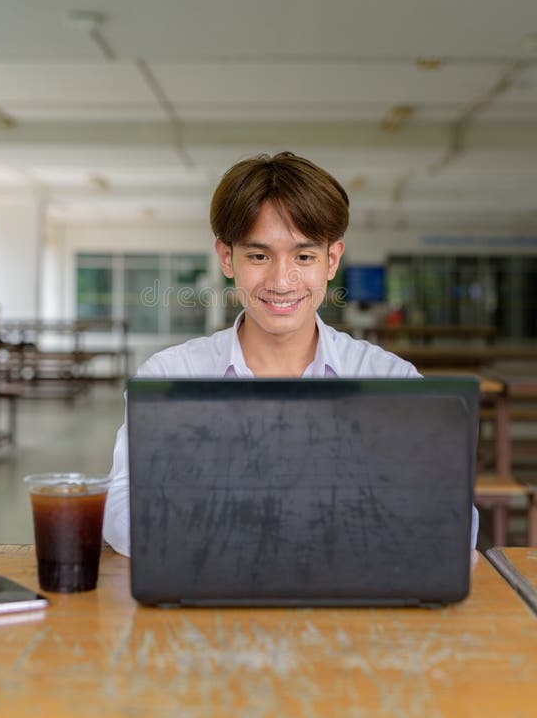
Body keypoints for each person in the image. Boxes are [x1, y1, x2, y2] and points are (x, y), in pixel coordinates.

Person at [103, 151, 478, 555]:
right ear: (227, 258)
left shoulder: (390, 380)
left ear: (331, 260)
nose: (282, 281)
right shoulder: (169, 377)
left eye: (304, 256)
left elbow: (452, 516)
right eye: (259, 256)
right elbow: (122, 509)